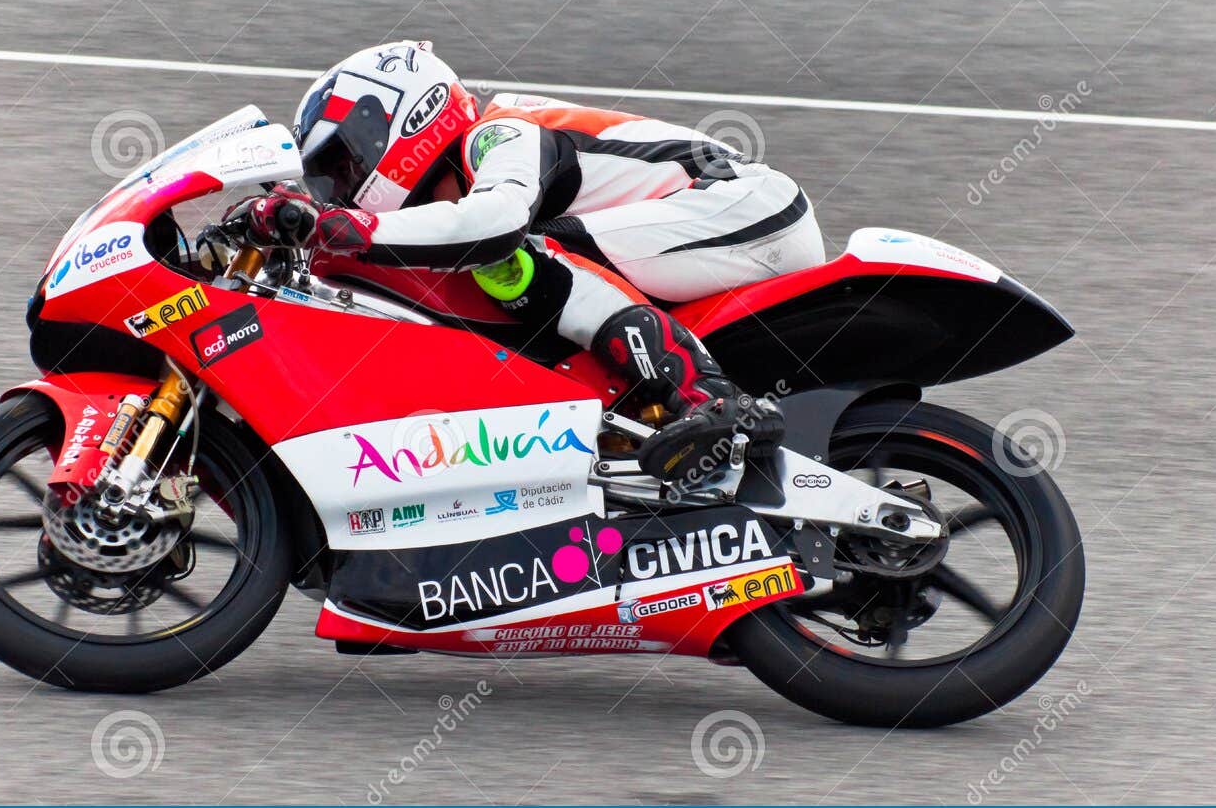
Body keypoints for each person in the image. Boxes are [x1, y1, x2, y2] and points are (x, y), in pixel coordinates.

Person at [240, 40, 826, 482]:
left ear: (402, 120)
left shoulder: (497, 135)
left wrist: (347, 226)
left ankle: (715, 400)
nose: (336, 190)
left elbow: (491, 225)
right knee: (507, 271)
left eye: (341, 166)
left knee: (514, 257)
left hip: (747, 210)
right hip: (707, 231)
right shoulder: (471, 168)